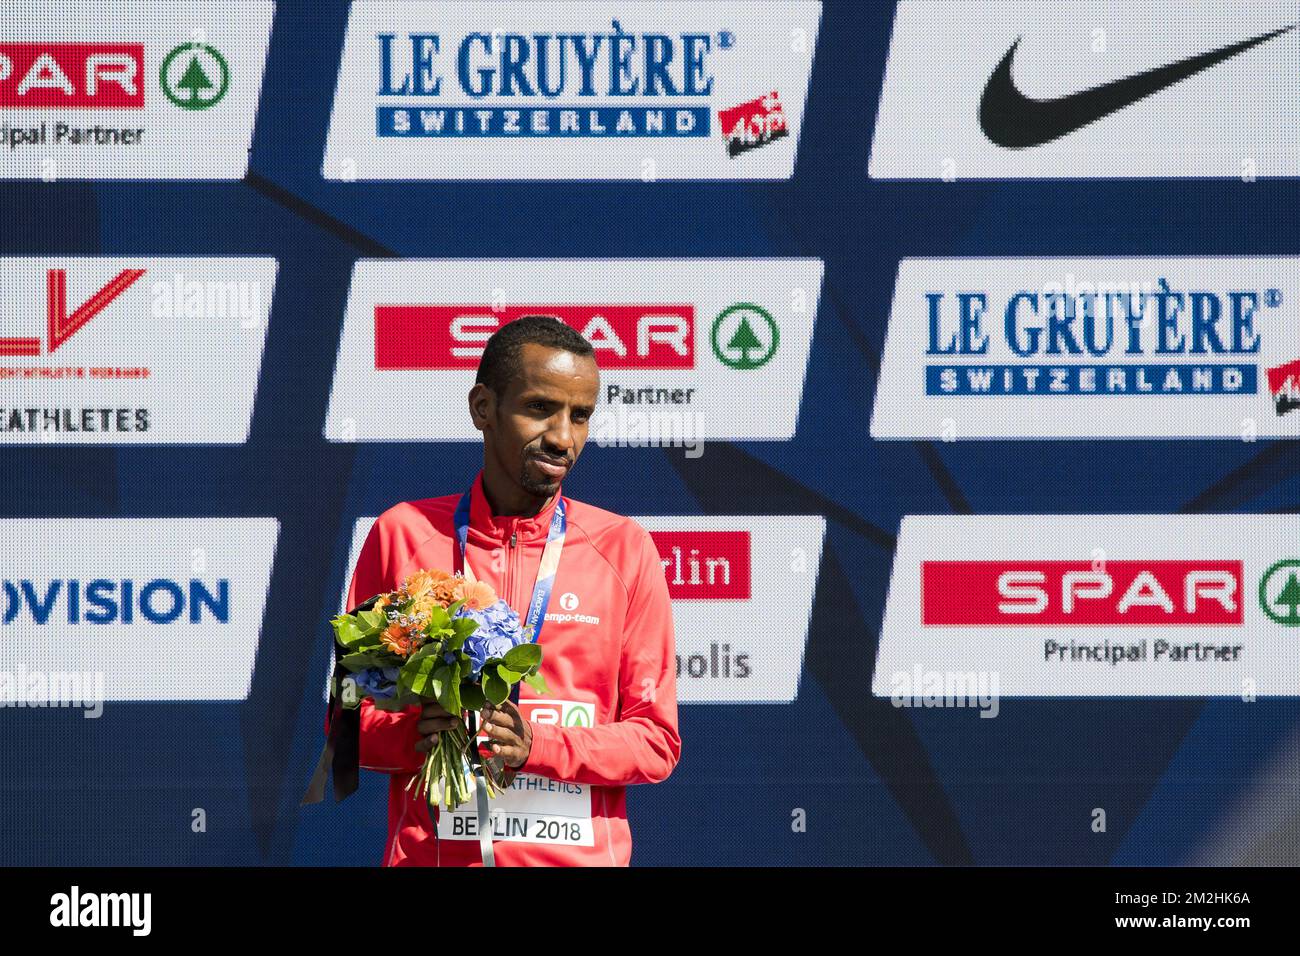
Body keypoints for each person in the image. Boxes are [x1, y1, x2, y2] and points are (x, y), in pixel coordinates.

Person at [341, 315, 681, 866]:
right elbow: (349, 722)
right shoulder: (403, 535)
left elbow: (655, 740)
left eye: (581, 416)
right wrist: (416, 734)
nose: (563, 437)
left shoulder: (624, 549)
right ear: (483, 408)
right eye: (540, 408)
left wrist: (539, 747)